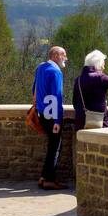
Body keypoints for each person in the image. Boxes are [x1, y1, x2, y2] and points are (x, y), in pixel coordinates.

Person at [34, 46, 68, 189]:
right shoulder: (56, 72)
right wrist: (57, 121)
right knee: (55, 148)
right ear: (55, 56)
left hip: (42, 113)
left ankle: (43, 177)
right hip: (51, 116)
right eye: (63, 55)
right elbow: (57, 98)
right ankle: (49, 180)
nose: (66, 58)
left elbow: (34, 89)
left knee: (51, 147)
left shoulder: (41, 67)